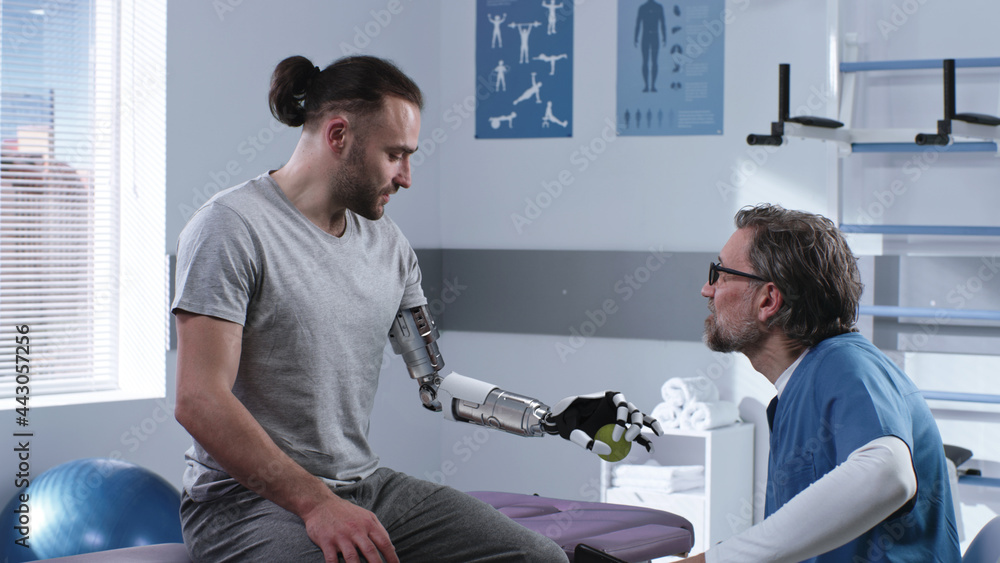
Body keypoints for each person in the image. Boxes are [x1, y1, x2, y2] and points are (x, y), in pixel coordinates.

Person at [172, 54, 659, 563]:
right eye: (395, 155)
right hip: (243, 507)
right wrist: (317, 503)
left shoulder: (390, 246)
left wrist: (549, 418)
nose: (406, 177)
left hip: (362, 487)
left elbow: (434, 384)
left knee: (540, 559)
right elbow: (200, 399)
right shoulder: (231, 227)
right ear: (338, 135)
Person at [679, 204, 960, 562]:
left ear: (768, 300)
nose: (707, 290)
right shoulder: (800, 387)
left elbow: (889, 473)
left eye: (720, 274)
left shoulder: (845, 364)